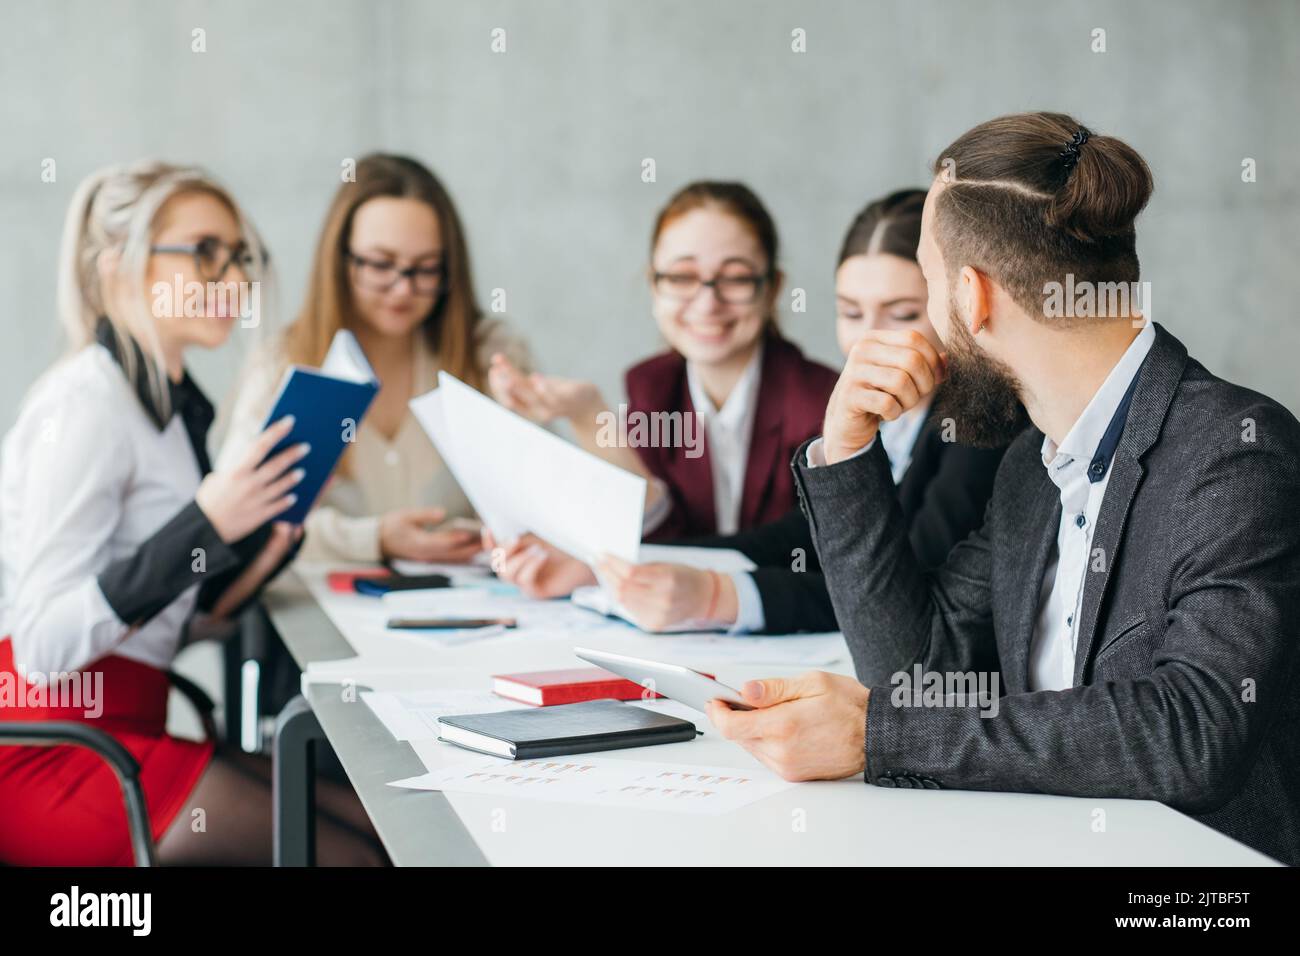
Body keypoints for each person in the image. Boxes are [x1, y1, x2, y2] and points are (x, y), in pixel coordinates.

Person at [706, 111, 1300, 867]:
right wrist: (847, 450)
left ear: (974, 297)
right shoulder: (1031, 466)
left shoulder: (1236, 453)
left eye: (924, 284)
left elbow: (1194, 727)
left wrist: (879, 732)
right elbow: (914, 674)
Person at [0, 162, 383, 865]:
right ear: (117, 263)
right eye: (204, 252)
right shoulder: (84, 406)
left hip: (121, 730)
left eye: (240, 255)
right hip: (49, 749)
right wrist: (205, 522)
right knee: (351, 858)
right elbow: (44, 646)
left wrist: (258, 549)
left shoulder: (170, 415)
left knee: (382, 823)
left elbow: (167, 625)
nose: (233, 279)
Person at [491, 190, 1009, 635]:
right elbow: (792, 538)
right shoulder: (891, 424)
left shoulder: (974, 429)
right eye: (850, 312)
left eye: (902, 313)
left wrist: (720, 597)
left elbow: (900, 588)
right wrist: (600, 569)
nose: (868, 338)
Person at [218, 154, 532, 564]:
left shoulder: (490, 353)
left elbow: (536, 506)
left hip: (467, 602)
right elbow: (236, 519)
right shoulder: (285, 361)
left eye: (425, 269)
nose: (402, 290)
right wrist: (373, 539)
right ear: (340, 260)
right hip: (315, 610)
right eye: (381, 265)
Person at [490, 181, 837, 540]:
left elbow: (808, 546)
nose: (707, 304)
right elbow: (660, 536)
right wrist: (589, 417)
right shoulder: (652, 388)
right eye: (682, 277)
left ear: (772, 288)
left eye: (736, 278)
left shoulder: (821, 400)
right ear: (654, 285)